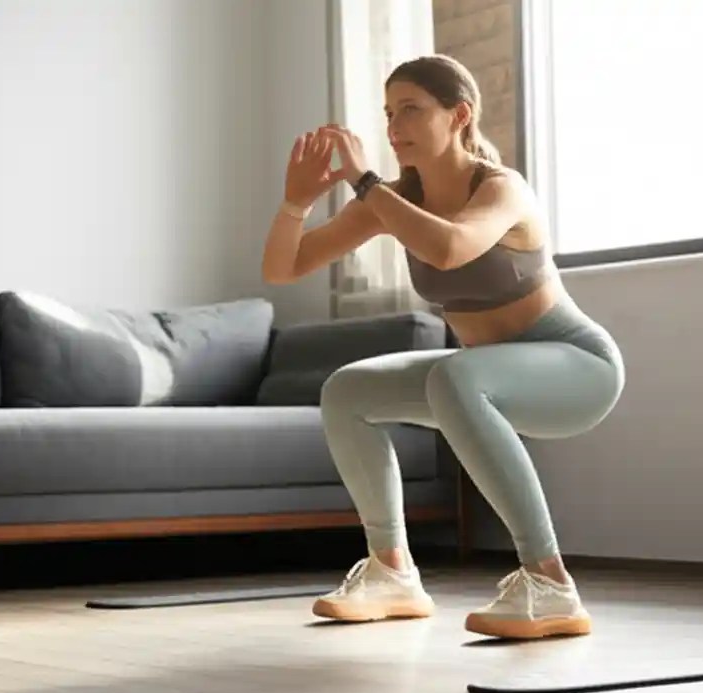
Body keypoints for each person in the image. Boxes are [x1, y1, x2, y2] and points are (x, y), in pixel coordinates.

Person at [260, 54, 625, 640]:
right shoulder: (393, 200)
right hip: (484, 375)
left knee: (456, 376)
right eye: (387, 112)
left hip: (577, 368)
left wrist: (363, 182)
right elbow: (284, 268)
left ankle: (550, 582)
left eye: (411, 108)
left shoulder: (502, 188)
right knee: (347, 390)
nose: (394, 125)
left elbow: (452, 249)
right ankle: (392, 573)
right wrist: (296, 201)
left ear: (460, 115)